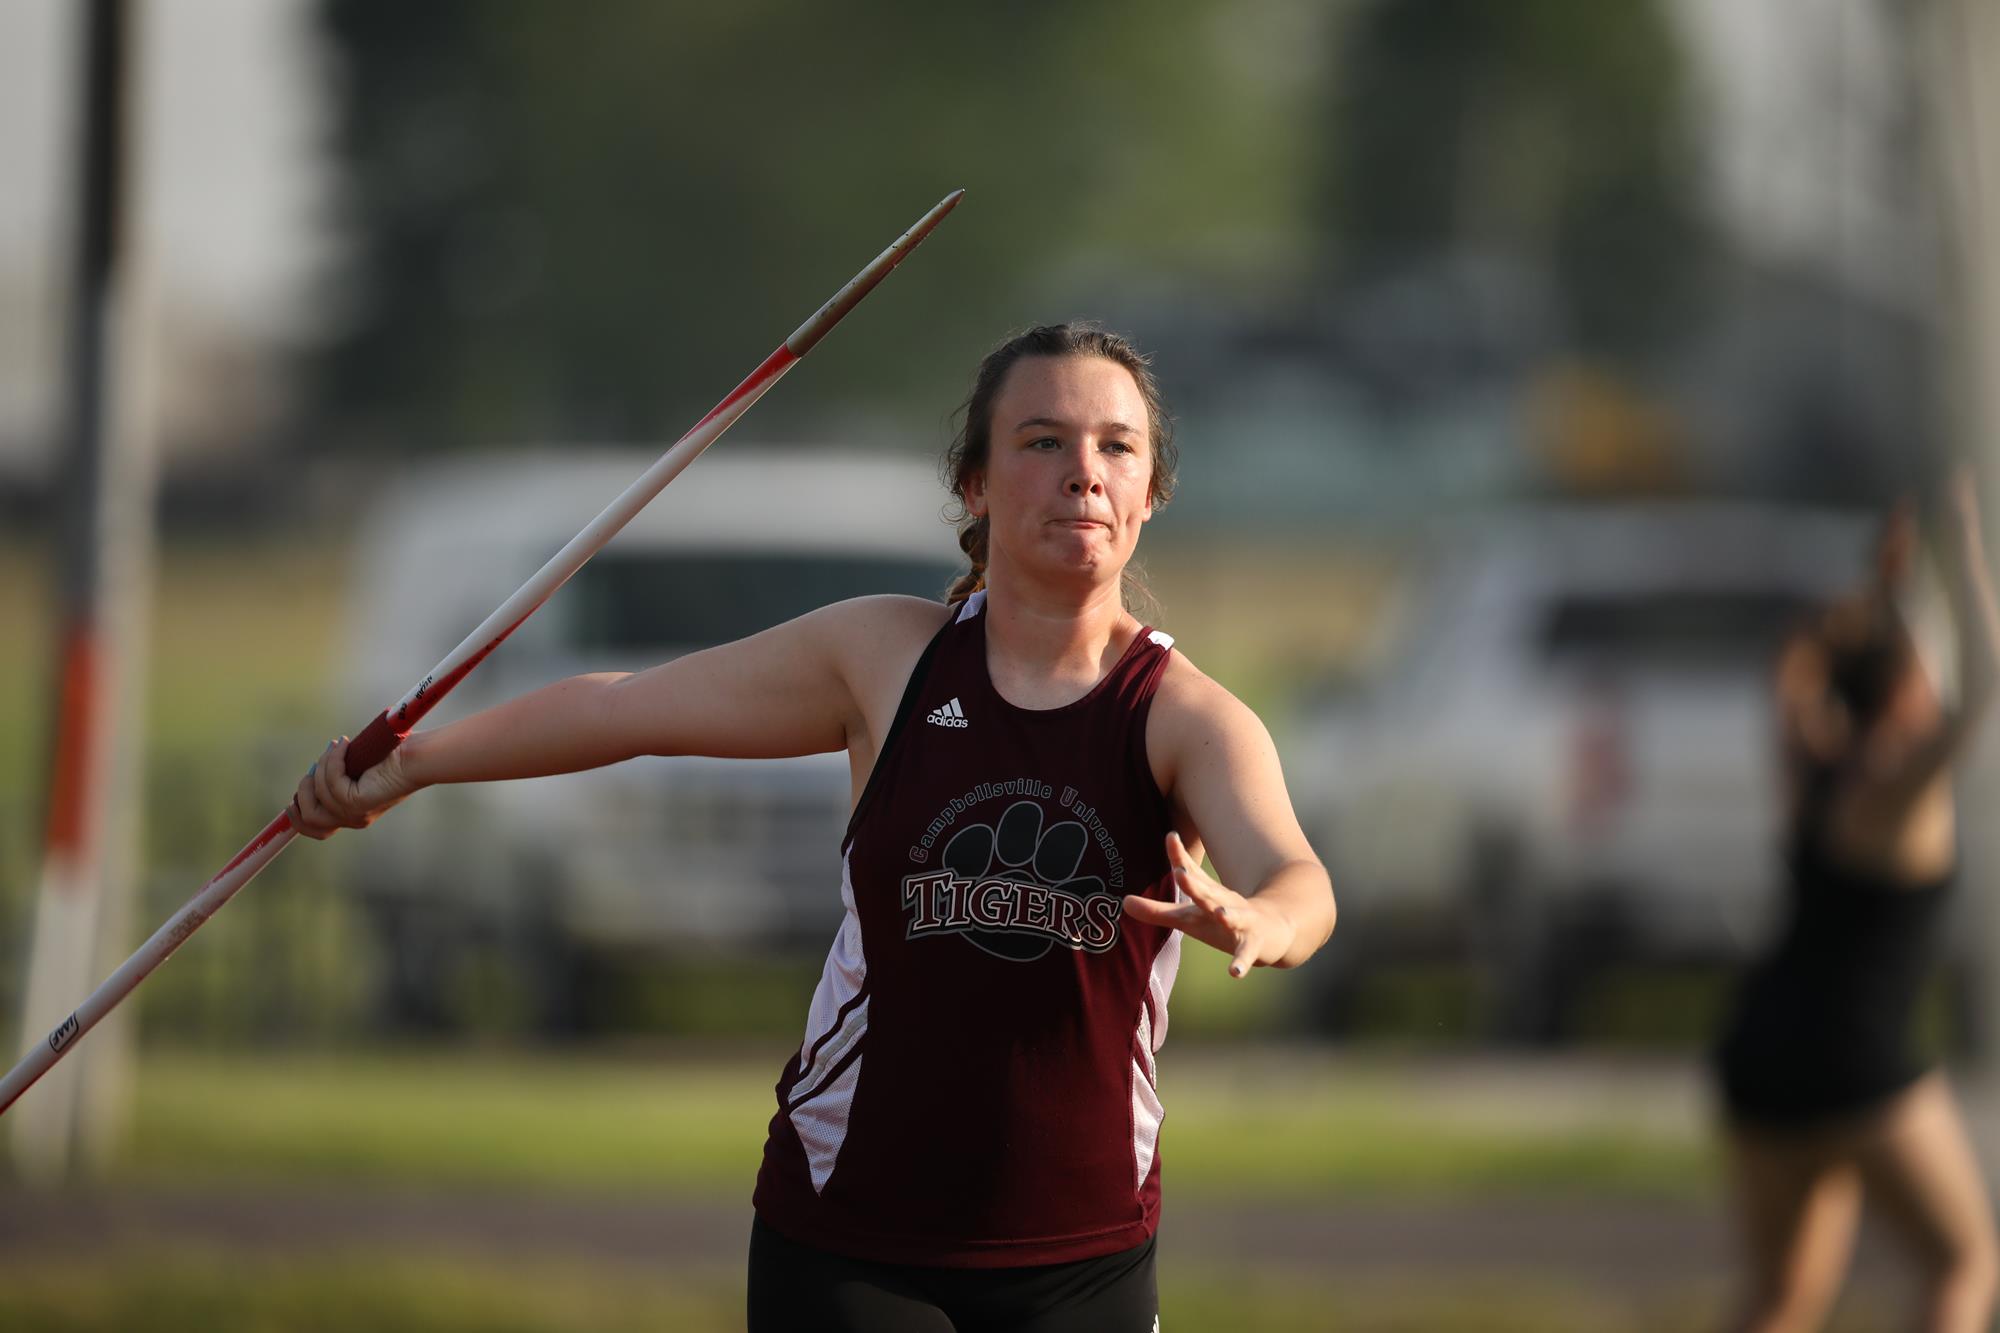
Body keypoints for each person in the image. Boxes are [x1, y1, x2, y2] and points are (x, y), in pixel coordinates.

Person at [290, 322, 1338, 1332]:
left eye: (1116, 446)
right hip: (851, 1240)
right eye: (1041, 442)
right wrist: (413, 766)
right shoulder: (884, 658)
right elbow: (624, 708)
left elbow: (1298, 880)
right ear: (973, 485)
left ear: (1150, 492)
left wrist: (1257, 920)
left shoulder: (1180, 715)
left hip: (1082, 1256)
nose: (1082, 470)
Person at [1712, 474, 2000, 1333]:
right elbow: (1983, 689)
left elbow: (1793, 667)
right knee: (1964, 1263)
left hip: (1760, 1054)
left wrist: (1881, 591)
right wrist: (1960, 549)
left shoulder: (1813, 766)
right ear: (1907, 693)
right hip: (1856, 1062)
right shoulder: (1899, 787)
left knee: (1781, 1299)